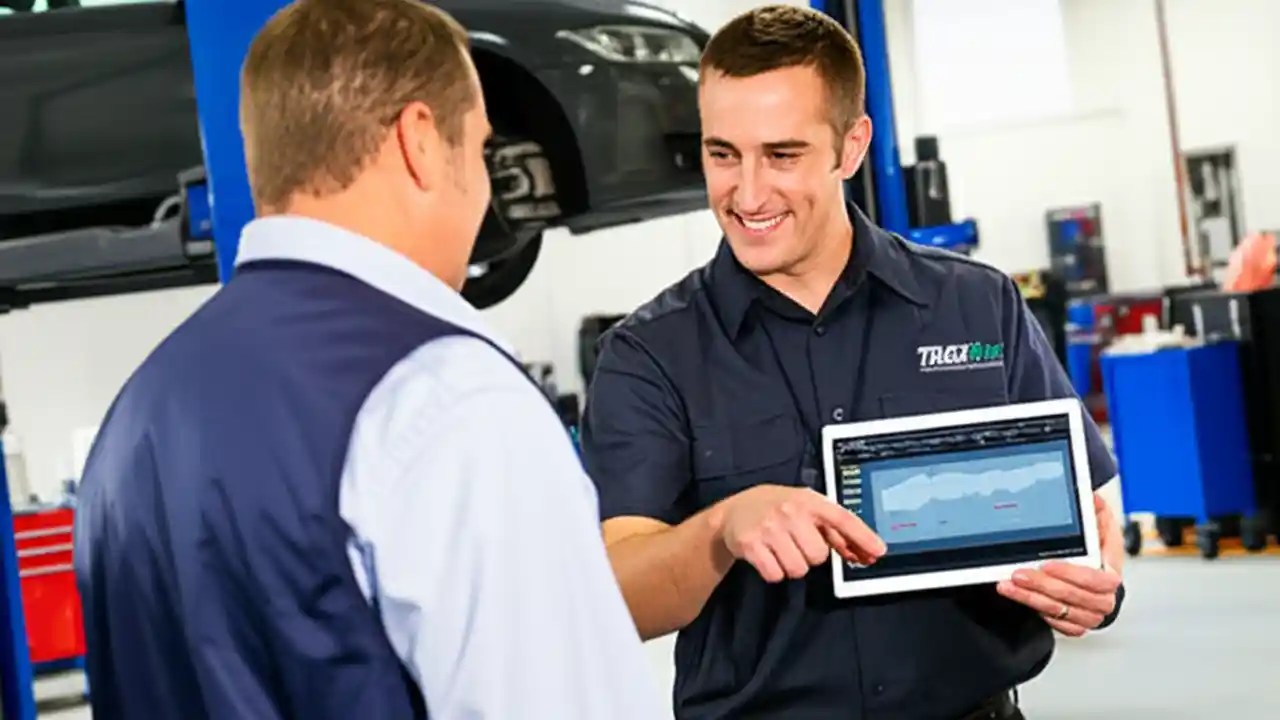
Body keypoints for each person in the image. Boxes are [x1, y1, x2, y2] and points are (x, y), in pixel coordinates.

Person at [71, 1, 659, 718]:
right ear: (418, 141)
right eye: (476, 150)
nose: (482, 190)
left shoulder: (136, 418)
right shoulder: (451, 400)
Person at [580, 6, 1126, 719]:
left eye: (782, 155)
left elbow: (1090, 514)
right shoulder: (650, 355)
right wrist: (722, 530)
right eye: (722, 154)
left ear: (851, 146)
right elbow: (617, 597)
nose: (746, 194)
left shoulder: (976, 306)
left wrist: (1097, 584)